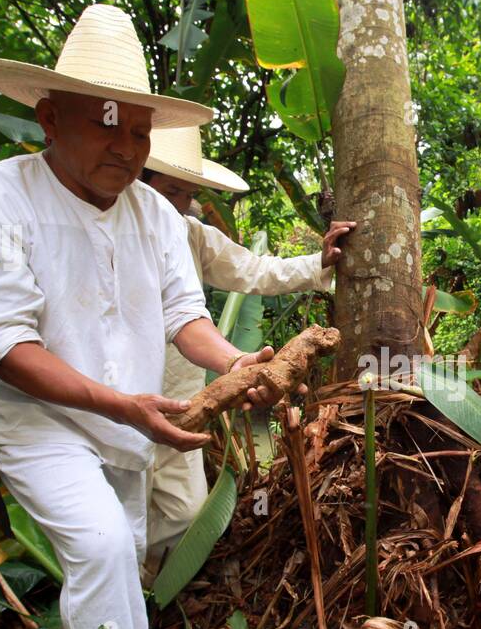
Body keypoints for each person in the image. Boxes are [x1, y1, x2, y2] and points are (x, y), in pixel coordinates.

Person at [0, 5, 291, 629]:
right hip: (32, 421)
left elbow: (183, 316)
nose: (127, 149)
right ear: (48, 117)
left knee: (123, 553)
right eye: (107, 126)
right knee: (99, 543)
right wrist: (122, 407)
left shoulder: (155, 213)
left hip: (127, 418)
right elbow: (4, 347)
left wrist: (237, 365)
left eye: (139, 132)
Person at [138, 125, 355, 561]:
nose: (178, 204)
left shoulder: (189, 234)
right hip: (114, 399)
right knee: (115, 515)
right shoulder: (99, 229)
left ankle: (152, 600)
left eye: (186, 194)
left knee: (183, 511)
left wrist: (321, 261)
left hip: (182, 398)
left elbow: (255, 271)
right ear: (139, 183)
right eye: (169, 189)